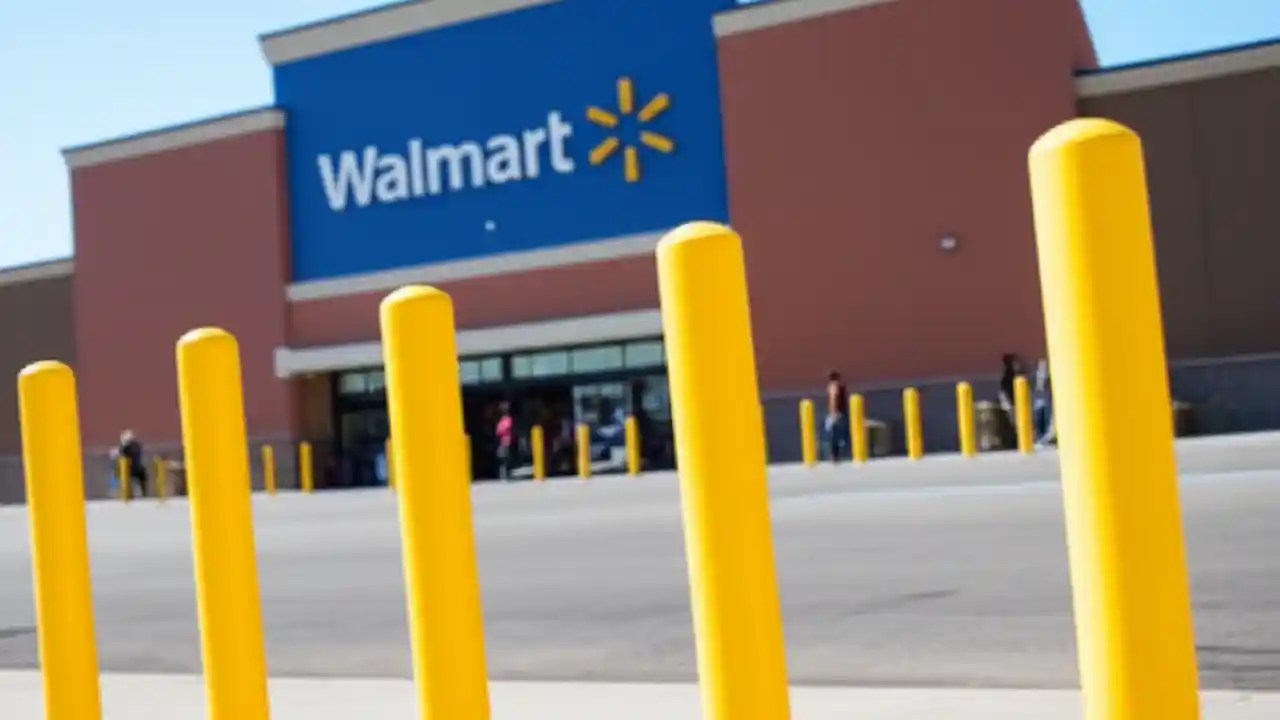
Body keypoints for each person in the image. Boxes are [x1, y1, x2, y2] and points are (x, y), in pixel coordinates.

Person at [111, 429, 148, 497]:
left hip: (129, 470)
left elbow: (118, 454)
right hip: (138, 469)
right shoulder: (137, 445)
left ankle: (114, 490)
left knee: (115, 472)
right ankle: (143, 493)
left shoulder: (126, 447)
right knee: (142, 476)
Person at [825, 371, 850, 463]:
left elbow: (833, 399)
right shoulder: (838, 386)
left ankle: (835, 454)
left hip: (837, 412)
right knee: (839, 433)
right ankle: (837, 454)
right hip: (840, 412)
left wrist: (833, 412)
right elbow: (834, 398)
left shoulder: (833, 386)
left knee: (834, 433)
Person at [494, 402, 515, 480]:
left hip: (505, 440)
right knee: (502, 458)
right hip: (502, 440)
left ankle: (504, 474)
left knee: (503, 458)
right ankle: (503, 473)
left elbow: (501, 431)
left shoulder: (507, 419)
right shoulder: (503, 420)